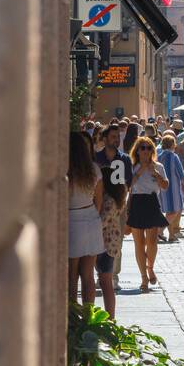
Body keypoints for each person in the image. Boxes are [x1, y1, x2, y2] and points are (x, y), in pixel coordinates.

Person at [94, 123, 133, 303]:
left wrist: (124, 205)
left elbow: (128, 183)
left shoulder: (124, 159)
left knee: (116, 240)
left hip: (118, 206)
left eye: (118, 137)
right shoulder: (96, 158)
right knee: (98, 238)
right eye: (113, 137)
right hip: (99, 203)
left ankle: (112, 275)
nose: (116, 140)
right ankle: (100, 272)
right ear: (105, 138)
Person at [126, 134, 169, 292]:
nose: (146, 151)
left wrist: (155, 174)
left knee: (152, 242)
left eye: (149, 148)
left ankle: (150, 267)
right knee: (139, 243)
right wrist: (140, 171)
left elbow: (165, 186)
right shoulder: (131, 166)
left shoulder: (158, 166)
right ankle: (143, 278)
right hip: (137, 202)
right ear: (137, 151)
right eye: (142, 148)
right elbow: (127, 185)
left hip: (151, 202)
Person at [68, 130, 105, 305]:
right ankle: (88, 316)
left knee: (72, 274)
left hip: (72, 220)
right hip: (91, 218)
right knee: (88, 274)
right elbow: (99, 199)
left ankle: (72, 316)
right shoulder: (94, 169)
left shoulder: (66, 171)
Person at [157, 131, 184, 241]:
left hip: (162, 189)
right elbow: (181, 174)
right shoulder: (174, 157)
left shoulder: (159, 157)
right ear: (173, 144)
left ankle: (171, 235)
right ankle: (160, 231)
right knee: (174, 212)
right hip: (173, 189)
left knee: (169, 212)